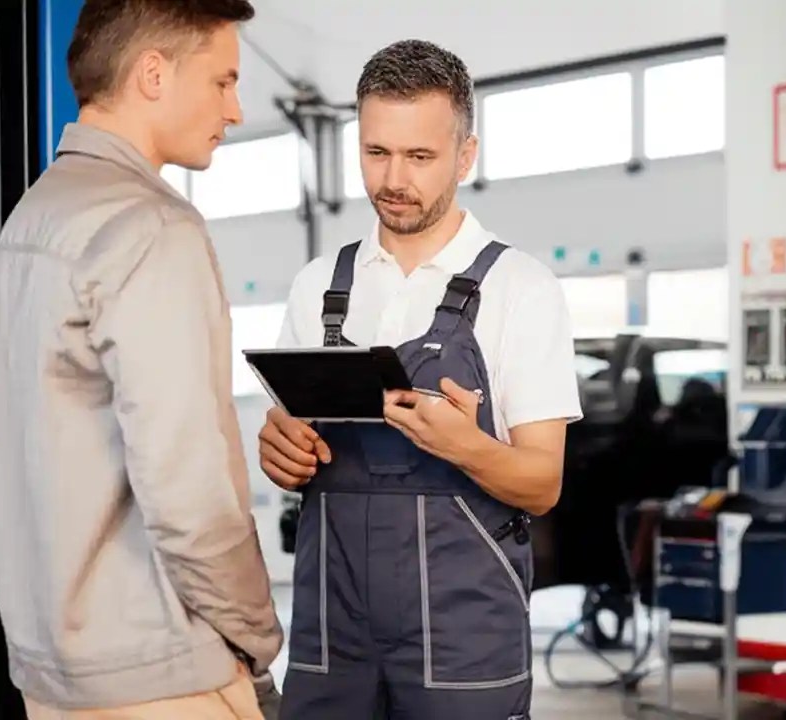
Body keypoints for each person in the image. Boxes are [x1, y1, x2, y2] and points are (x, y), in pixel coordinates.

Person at [261, 39, 583, 719]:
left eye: (420, 156)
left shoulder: (521, 290)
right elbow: (288, 444)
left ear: (465, 156)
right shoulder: (319, 286)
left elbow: (543, 483)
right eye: (376, 153)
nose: (393, 178)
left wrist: (463, 444)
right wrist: (279, 452)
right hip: (330, 630)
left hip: (464, 636)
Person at [0, 1, 283, 718]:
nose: (235, 109)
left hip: (52, 669)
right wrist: (256, 636)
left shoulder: (29, 223)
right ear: (153, 74)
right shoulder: (149, 226)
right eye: (222, 80)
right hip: (162, 674)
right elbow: (188, 488)